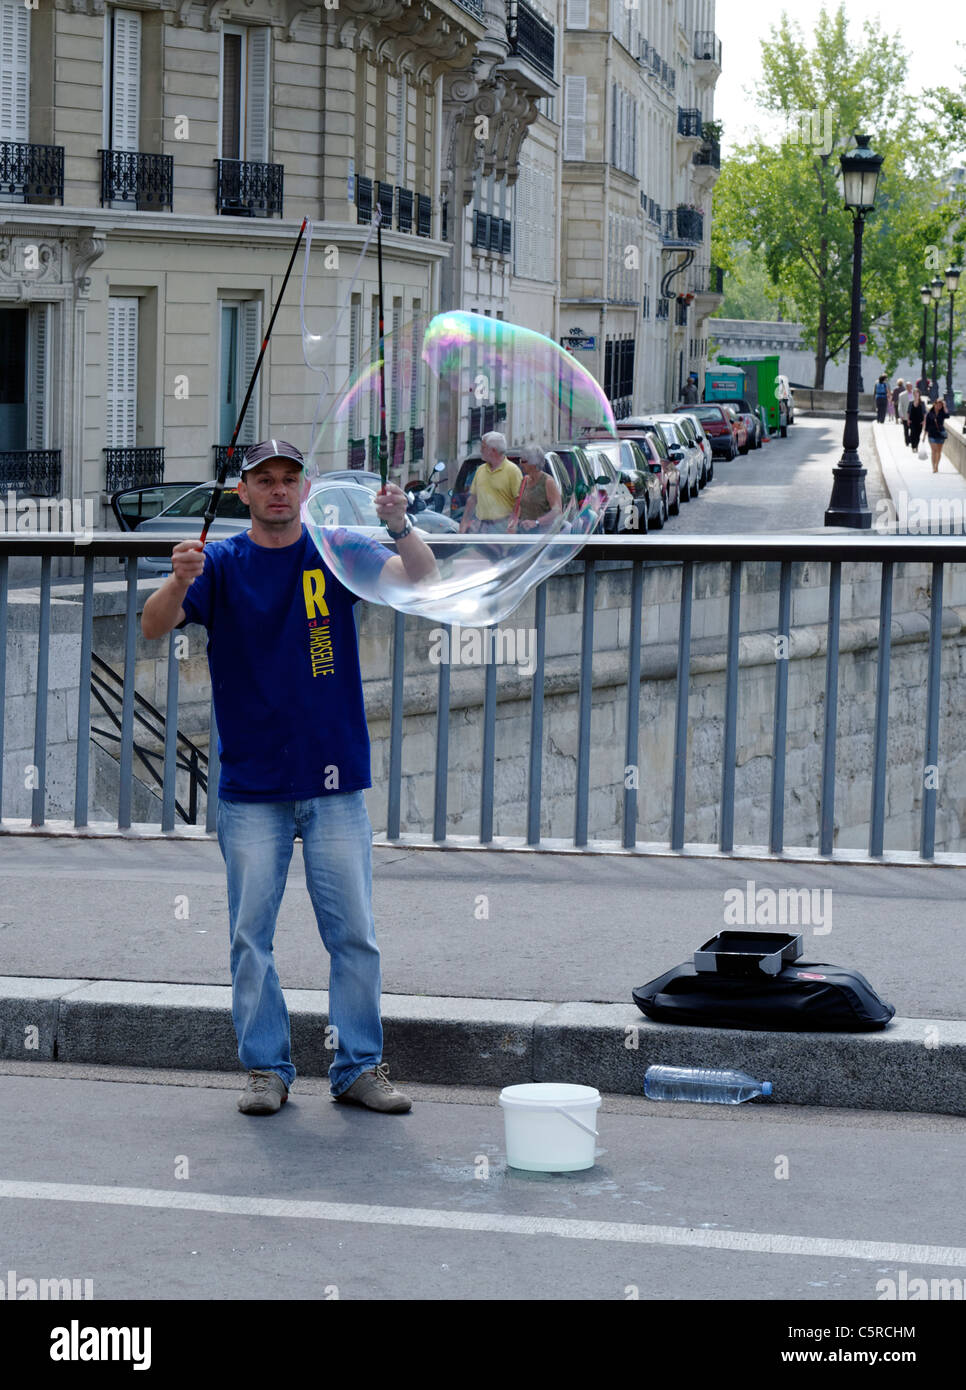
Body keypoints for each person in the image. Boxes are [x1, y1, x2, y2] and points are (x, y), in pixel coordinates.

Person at [140, 439, 438, 1118]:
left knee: (354, 935)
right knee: (252, 937)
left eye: (289, 479)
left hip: (333, 780)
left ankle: (358, 1066)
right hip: (252, 783)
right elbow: (155, 625)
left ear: (306, 490)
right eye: (263, 480)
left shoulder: (335, 551)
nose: (277, 490)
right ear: (241, 492)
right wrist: (178, 579)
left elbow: (419, 579)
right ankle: (266, 1070)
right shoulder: (219, 562)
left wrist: (399, 522)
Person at [458, 430, 524, 534]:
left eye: (483, 447)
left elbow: (519, 502)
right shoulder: (480, 470)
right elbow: (472, 499)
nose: (480, 450)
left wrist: (512, 525)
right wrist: (464, 522)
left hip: (502, 527)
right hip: (481, 526)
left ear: (493, 450)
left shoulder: (512, 471)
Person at [508, 446, 564, 533]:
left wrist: (537, 522)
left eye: (523, 461)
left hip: (542, 536)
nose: (520, 464)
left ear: (533, 463)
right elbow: (518, 506)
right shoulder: (525, 480)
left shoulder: (548, 482)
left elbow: (557, 511)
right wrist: (513, 522)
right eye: (520, 461)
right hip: (525, 534)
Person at [924, 398, 948, 473]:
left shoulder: (942, 413)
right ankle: (933, 467)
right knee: (934, 450)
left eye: (940, 405)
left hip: (940, 434)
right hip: (931, 434)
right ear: (934, 404)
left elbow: (948, 415)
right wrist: (924, 435)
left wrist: (944, 406)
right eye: (938, 404)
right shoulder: (930, 413)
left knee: (939, 451)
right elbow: (927, 425)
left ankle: (936, 466)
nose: (939, 406)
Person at [908, 387, 926, 453]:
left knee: (918, 435)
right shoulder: (911, 403)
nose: (915, 394)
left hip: (920, 422)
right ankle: (913, 446)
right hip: (912, 421)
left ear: (919, 394)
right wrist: (908, 420)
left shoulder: (922, 403)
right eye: (914, 393)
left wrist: (924, 421)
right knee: (912, 434)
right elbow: (908, 412)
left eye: (917, 392)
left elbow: (924, 413)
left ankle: (916, 446)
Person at [896, 380, 911, 447]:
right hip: (905, 416)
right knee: (906, 430)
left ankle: (910, 439)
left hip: (913, 416)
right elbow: (900, 406)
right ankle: (907, 441)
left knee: (913, 429)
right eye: (908, 386)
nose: (910, 388)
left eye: (911, 386)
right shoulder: (902, 395)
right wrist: (901, 415)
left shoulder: (914, 394)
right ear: (906, 387)